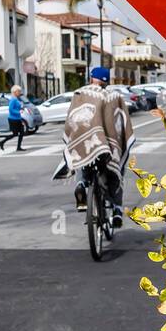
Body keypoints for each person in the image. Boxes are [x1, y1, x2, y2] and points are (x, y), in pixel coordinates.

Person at [55, 66, 133, 227]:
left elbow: (72, 117)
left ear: (91, 78)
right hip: (108, 144)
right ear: (107, 81)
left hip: (85, 138)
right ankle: (117, 209)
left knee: (81, 155)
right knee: (117, 170)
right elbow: (121, 122)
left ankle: (81, 184)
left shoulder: (80, 93)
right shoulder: (114, 96)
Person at [0, 83, 27, 151]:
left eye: (20, 91)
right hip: (13, 119)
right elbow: (11, 110)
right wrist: (19, 112)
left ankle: (18, 147)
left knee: (22, 132)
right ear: (14, 92)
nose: (20, 92)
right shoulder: (13, 99)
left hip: (18, 118)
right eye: (18, 91)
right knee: (15, 134)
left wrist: (21, 108)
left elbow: (18, 107)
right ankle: (2, 142)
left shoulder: (17, 99)